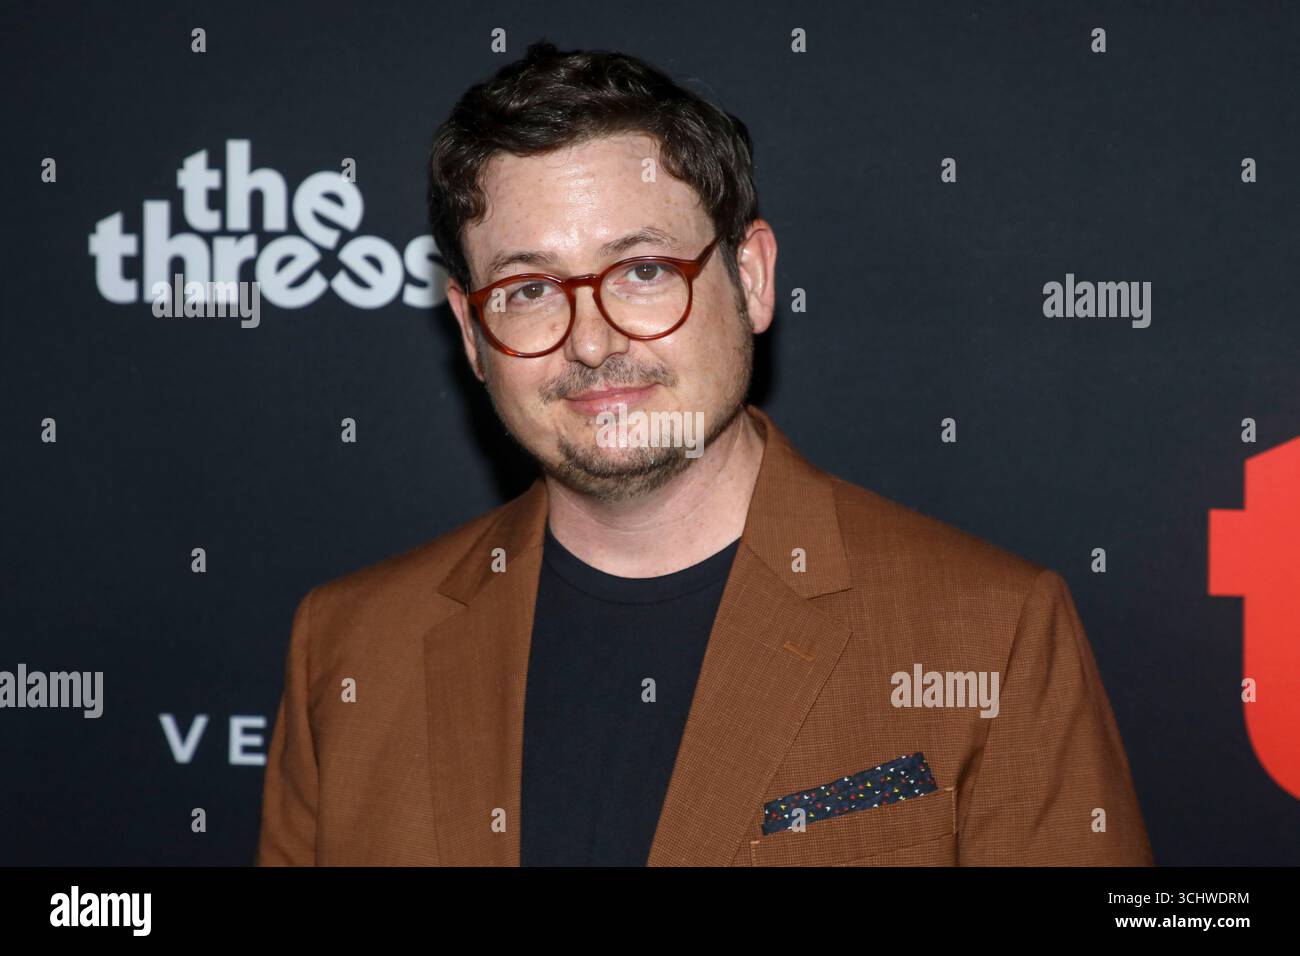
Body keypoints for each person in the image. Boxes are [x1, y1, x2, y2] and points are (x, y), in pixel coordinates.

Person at [256, 40, 1153, 866]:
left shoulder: (990, 631)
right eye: (530, 289)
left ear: (751, 279)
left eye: (643, 271)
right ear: (472, 331)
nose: (594, 342)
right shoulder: (348, 646)